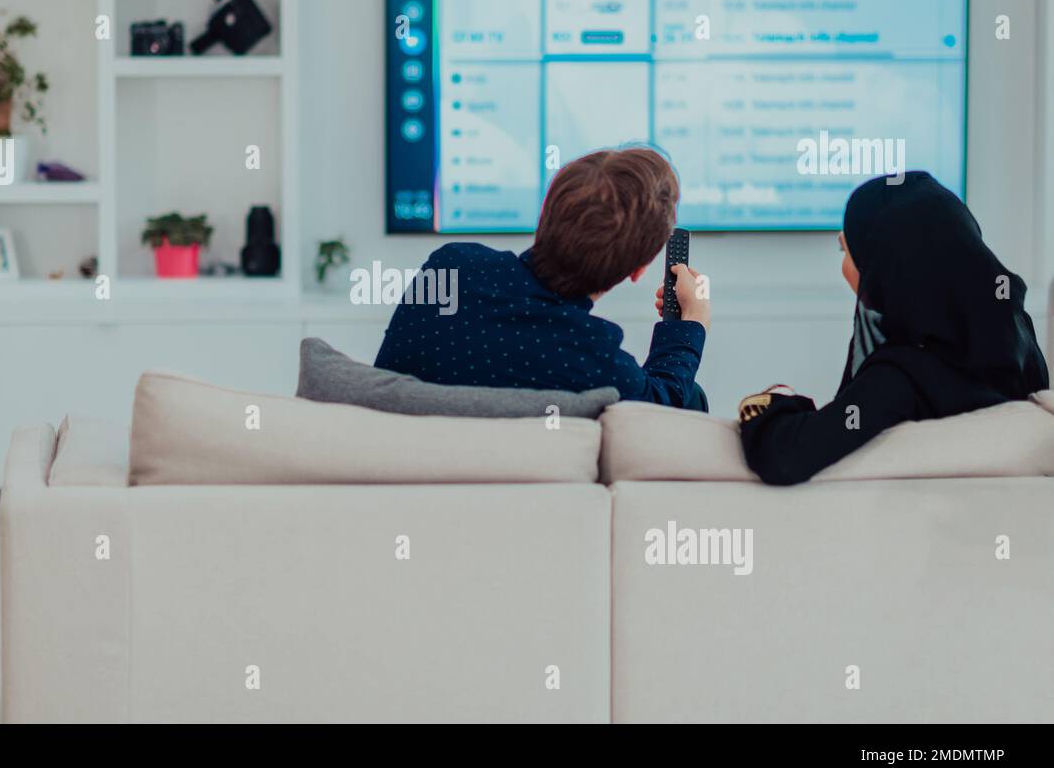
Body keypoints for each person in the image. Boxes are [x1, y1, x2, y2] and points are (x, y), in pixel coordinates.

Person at [738, 171, 1049, 485]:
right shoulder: (1020, 347)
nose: (845, 265)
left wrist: (777, 399)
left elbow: (785, 457)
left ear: (885, 267)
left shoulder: (900, 378)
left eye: (846, 251)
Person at [374, 147, 710, 410]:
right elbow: (662, 408)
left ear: (543, 219)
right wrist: (690, 322)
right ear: (640, 268)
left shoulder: (449, 266)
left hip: (403, 477)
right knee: (690, 395)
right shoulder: (596, 362)